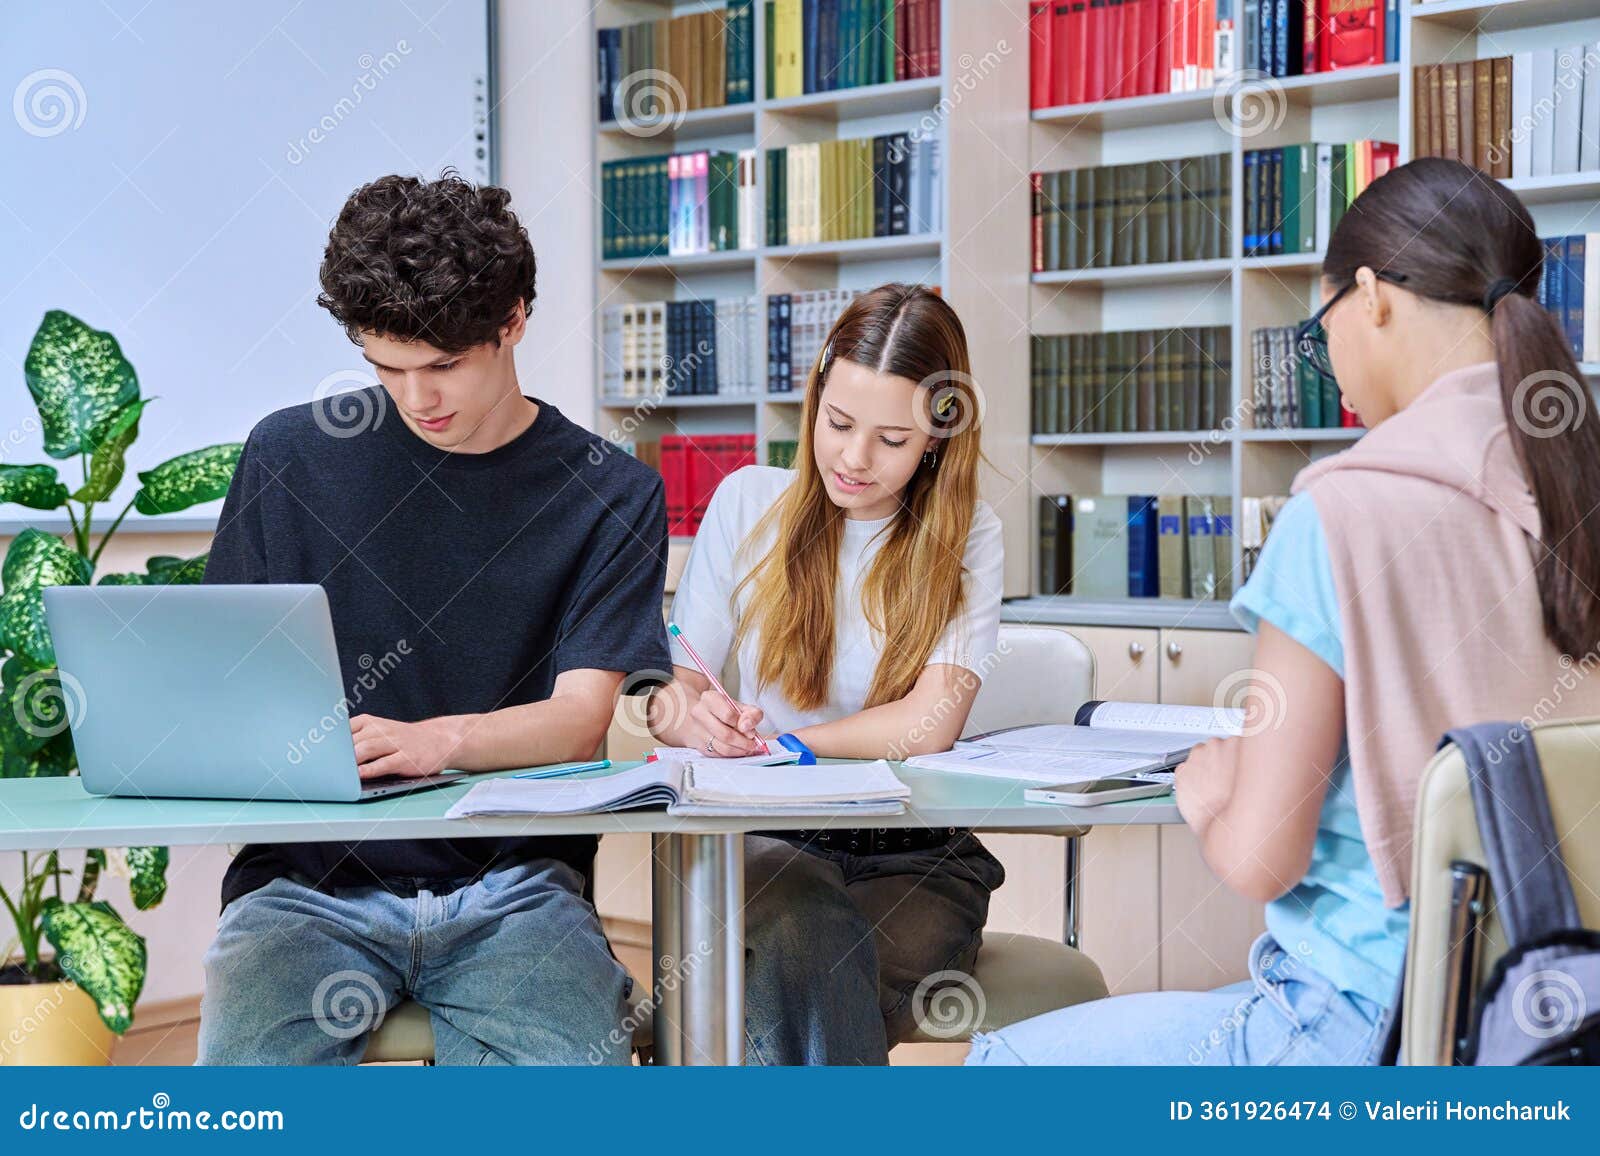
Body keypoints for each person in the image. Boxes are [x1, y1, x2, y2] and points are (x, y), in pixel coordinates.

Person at [969, 156, 1600, 1066]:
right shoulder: (1573, 483)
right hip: (1546, 1011)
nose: (1330, 353)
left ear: (1372, 297)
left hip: (1368, 1025)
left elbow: (1263, 857)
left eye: (1323, 324)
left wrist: (1212, 789)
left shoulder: (1341, 512)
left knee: (1001, 1066)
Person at [197, 172, 670, 1065]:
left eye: (446, 365)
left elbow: (579, 725)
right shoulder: (289, 457)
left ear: (514, 321)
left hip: (516, 891)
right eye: (388, 367)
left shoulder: (610, 494)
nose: (419, 400)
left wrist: (438, 741)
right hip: (307, 886)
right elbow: (228, 686)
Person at [649, 283, 1006, 1064]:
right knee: (809, 940)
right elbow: (677, 688)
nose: (853, 458)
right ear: (814, 401)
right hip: (770, 834)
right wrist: (691, 716)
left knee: (791, 980)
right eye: (838, 423)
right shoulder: (748, 503)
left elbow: (930, 720)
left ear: (938, 439)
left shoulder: (967, 532)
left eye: (891, 439)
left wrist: (791, 743)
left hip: (916, 848)